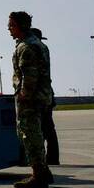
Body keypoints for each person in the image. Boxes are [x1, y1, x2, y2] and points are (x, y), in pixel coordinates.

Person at [9, 12, 54, 188]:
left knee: (29, 135)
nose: (9, 29)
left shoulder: (26, 47)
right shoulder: (39, 44)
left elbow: (29, 75)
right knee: (37, 134)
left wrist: (23, 95)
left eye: (11, 25)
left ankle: (38, 175)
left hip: (30, 98)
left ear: (20, 26)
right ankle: (43, 170)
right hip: (42, 96)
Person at [30, 27, 60, 166]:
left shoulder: (34, 50)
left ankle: (44, 159)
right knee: (47, 128)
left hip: (39, 95)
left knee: (42, 128)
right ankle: (50, 158)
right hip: (46, 93)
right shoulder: (43, 49)